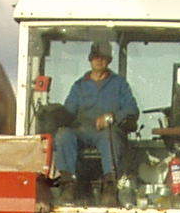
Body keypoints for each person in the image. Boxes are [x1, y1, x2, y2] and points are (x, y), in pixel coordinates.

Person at [54, 41, 138, 200]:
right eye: (95, 57)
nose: (99, 60)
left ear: (109, 60)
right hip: (81, 131)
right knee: (63, 135)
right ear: (90, 59)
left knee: (110, 137)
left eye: (103, 57)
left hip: (106, 131)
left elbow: (132, 109)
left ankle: (110, 188)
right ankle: (67, 186)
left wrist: (111, 117)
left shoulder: (119, 84)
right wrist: (55, 115)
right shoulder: (79, 86)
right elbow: (68, 112)